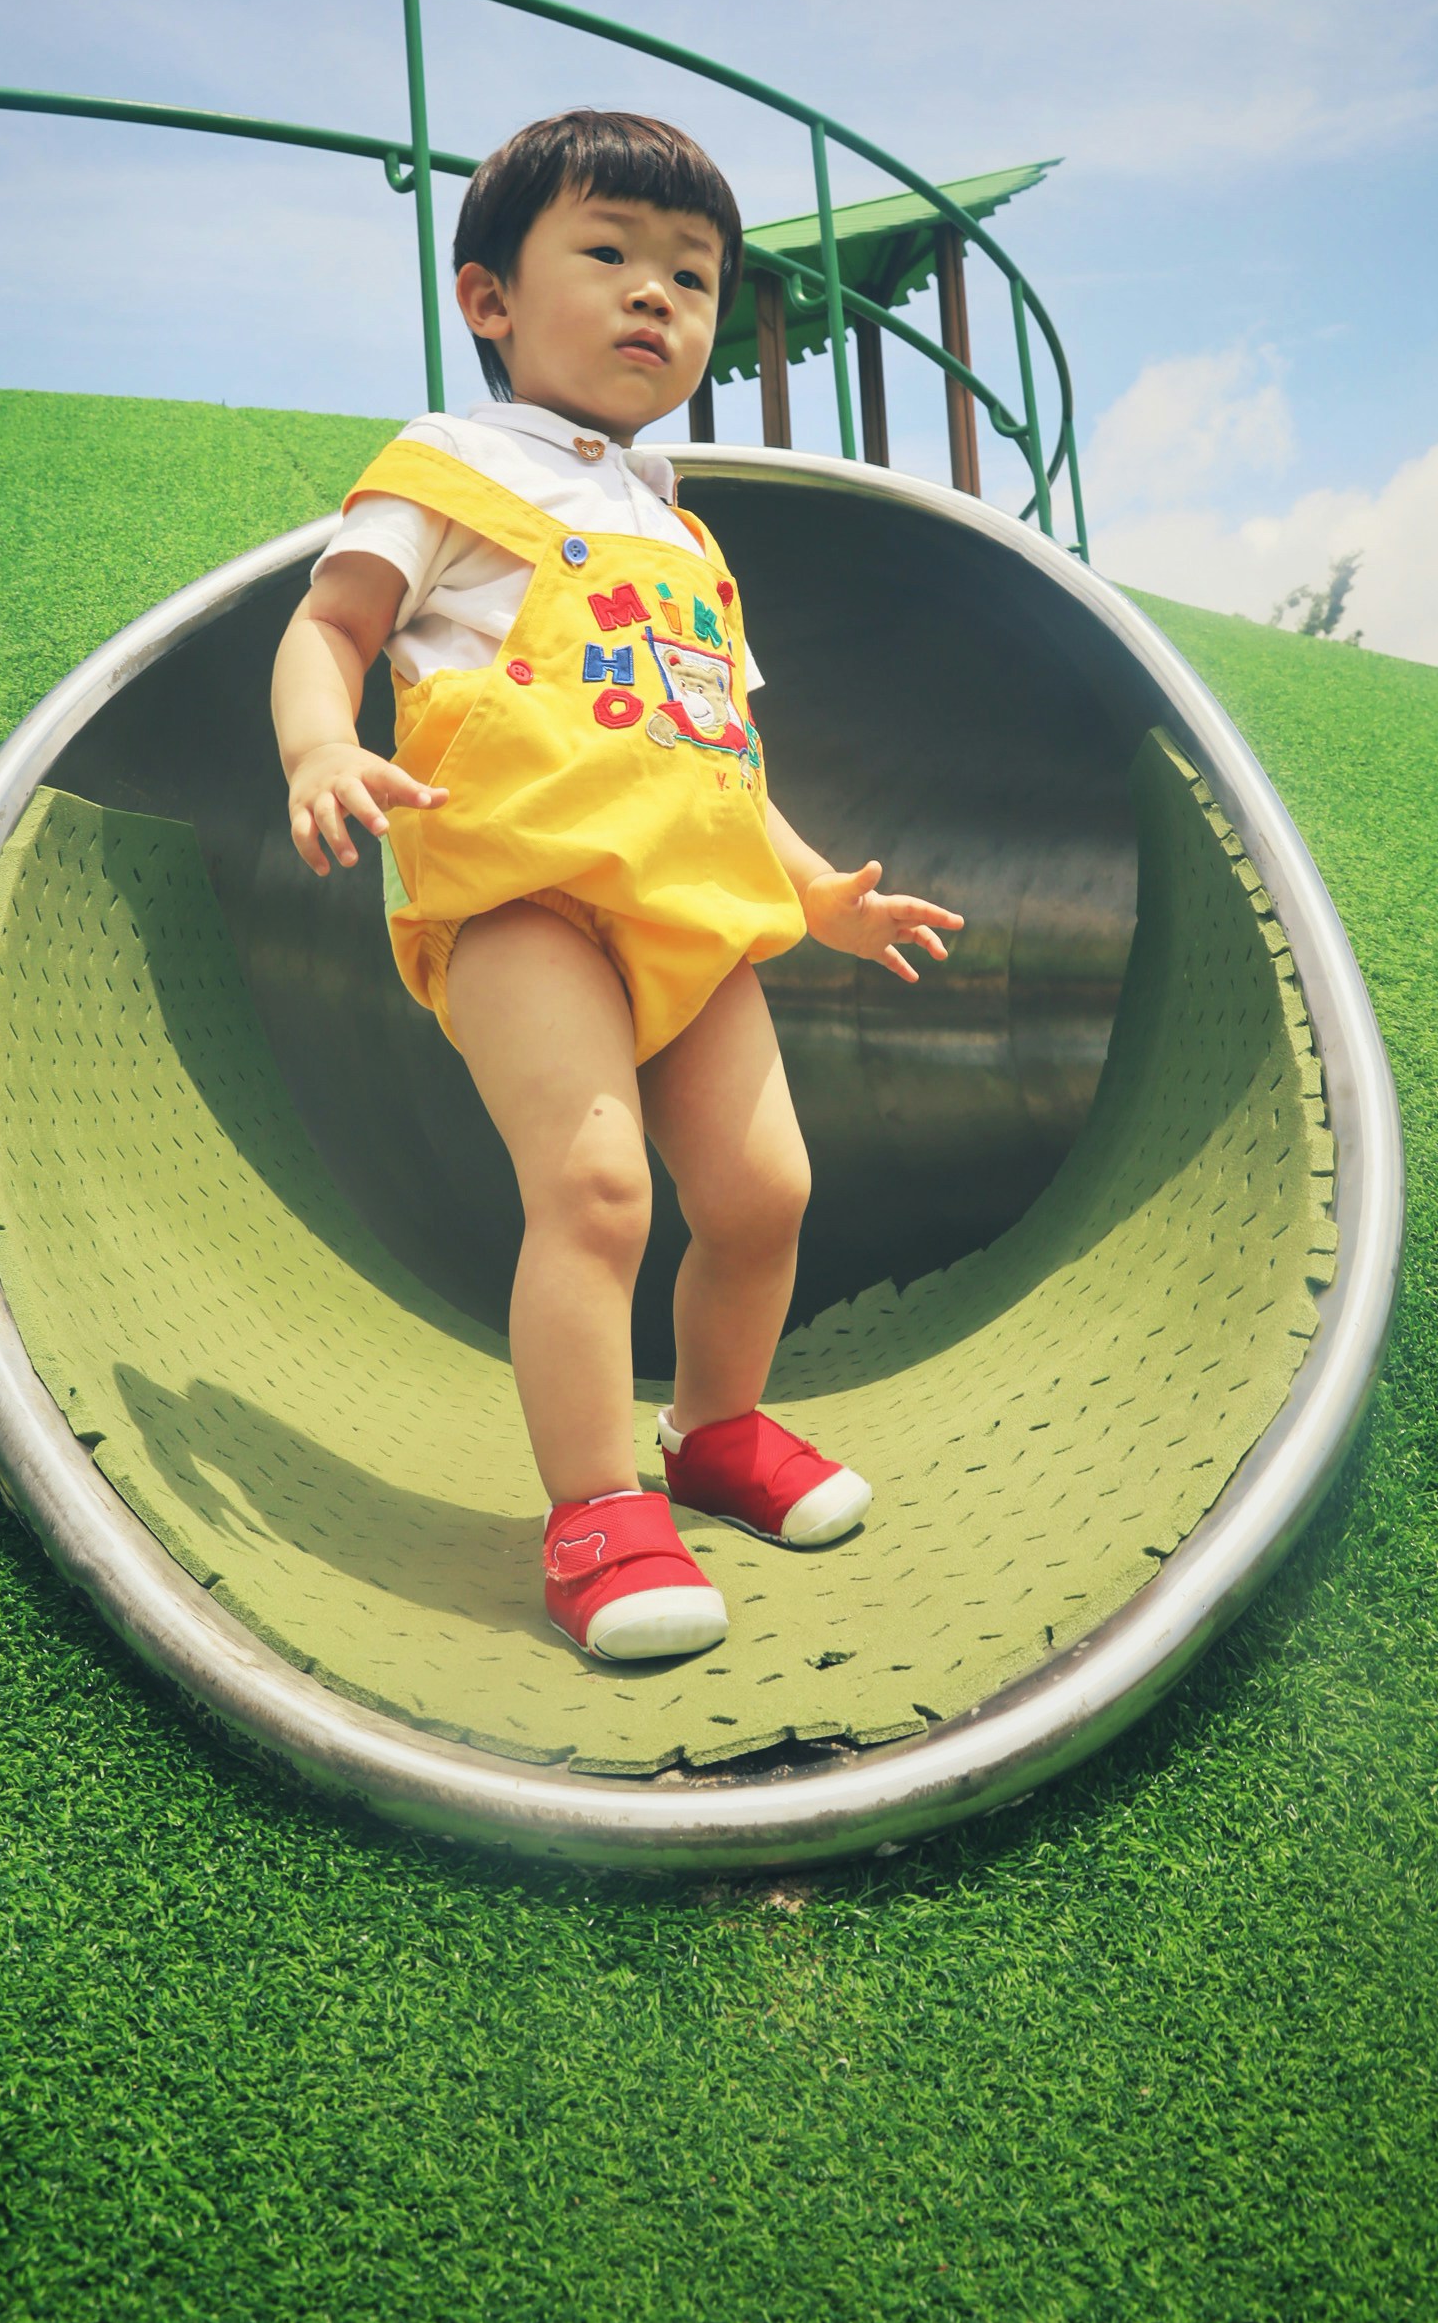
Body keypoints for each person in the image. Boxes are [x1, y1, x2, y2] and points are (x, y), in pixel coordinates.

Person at [271, 111, 962, 1664]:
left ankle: (714, 1433)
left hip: (691, 905)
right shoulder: (449, 463)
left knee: (764, 1191)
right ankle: (594, 1511)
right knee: (596, 1193)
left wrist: (817, 894)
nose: (658, 298)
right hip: (520, 891)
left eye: (693, 277)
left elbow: (716, 750)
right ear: (489, 299)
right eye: (609, 256)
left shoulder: (682, 535)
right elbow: (332, 627)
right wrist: (320, 747)